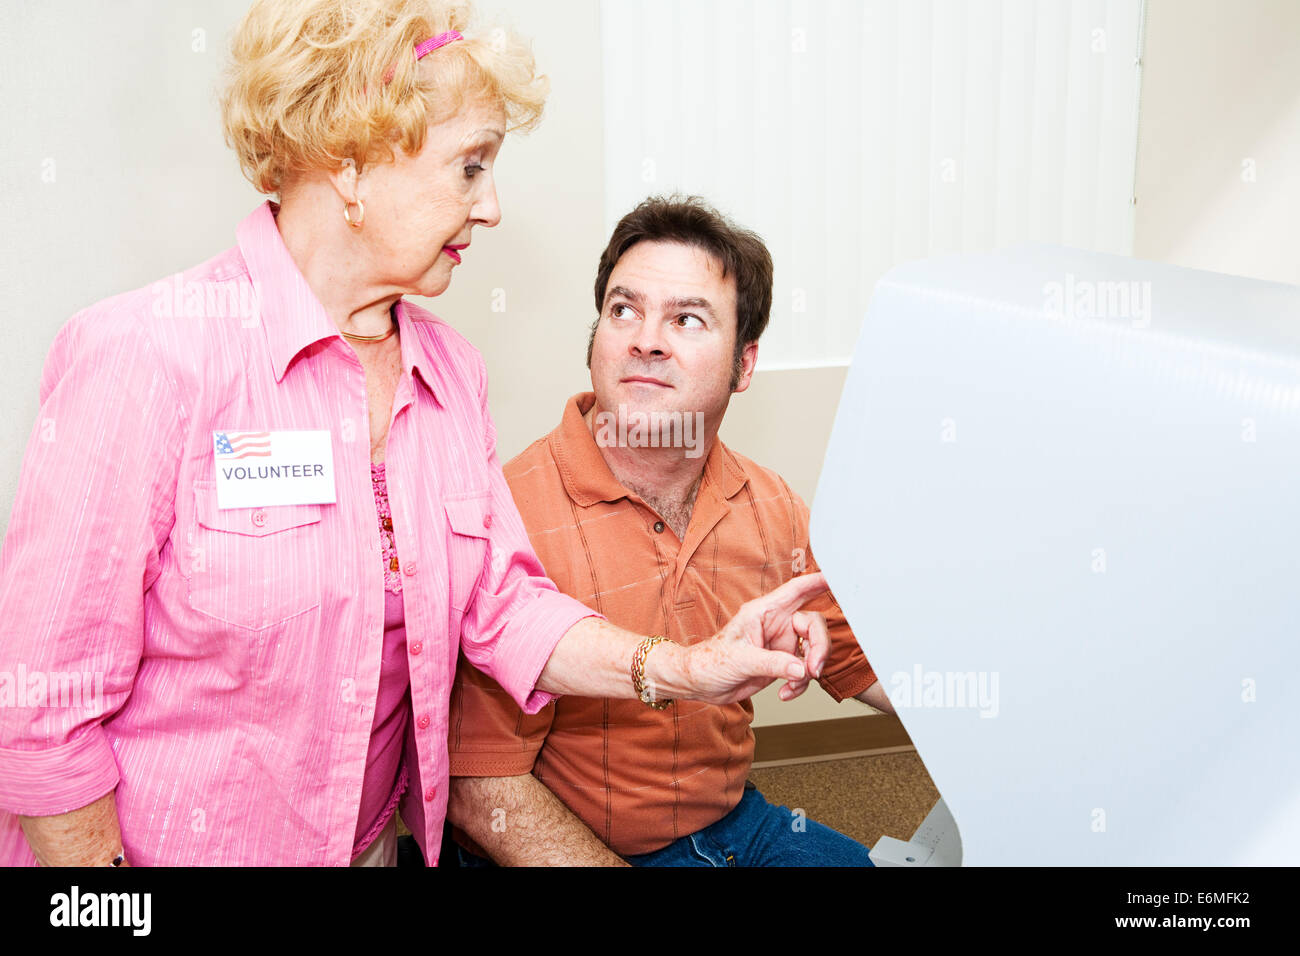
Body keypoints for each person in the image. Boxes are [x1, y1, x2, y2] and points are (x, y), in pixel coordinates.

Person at [0, 2, 833, 868]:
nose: (494, 207)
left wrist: (688, 668)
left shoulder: (449, 372)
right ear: (353, 163)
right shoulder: (143, 355)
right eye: (470, 167)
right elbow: (44, 711)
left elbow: (501, 606)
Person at [444, 196, 895, 867]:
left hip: (736, 826)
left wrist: (997, 700)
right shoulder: (510, 512)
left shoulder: (768, 502)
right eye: (624, 310)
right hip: (569, 845)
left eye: (686, 319)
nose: (646, 339)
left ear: (745, 365)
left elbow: (871, 669)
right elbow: (479, 788)